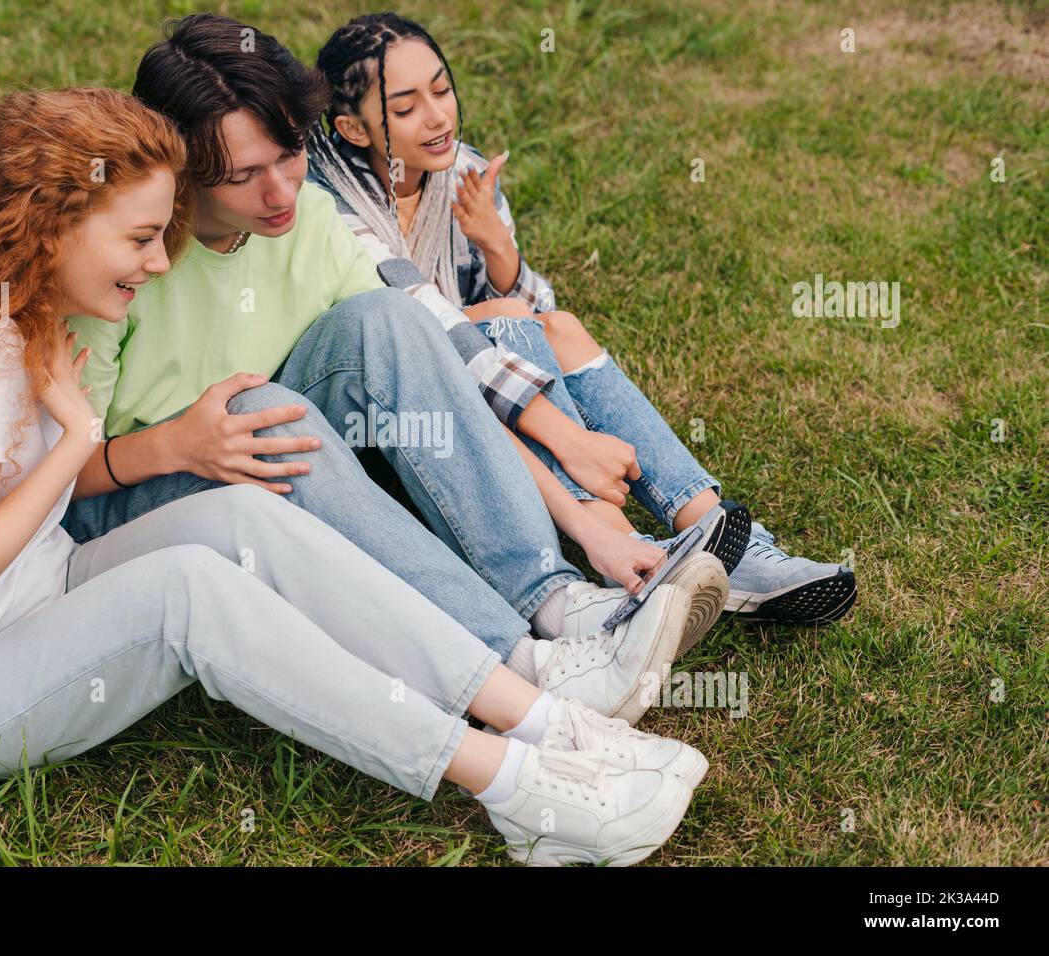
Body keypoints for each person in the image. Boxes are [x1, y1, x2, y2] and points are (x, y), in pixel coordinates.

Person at [0, 86, 714, 866]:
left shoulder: (32, 307)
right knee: (190, 594)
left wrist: (75, 450)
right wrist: (77, 433)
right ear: (53, 223)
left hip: (47, 589)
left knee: (249, 520)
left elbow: (24, 515)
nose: (161, 262)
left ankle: (543, 715)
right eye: (139, 239)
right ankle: (521, 792)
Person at [64, 14, 730, 680]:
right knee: (262, 410)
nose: (280, 191)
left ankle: (556, 599)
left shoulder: (311, 220)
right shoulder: (120, 259)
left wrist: (586, 529)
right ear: (180, 175)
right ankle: (517, 661)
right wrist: (177, 443)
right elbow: (59, 480)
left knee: (389, 318)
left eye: (290, 152)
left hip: (282, 447)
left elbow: (438, 380)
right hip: (131, 495)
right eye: (244, 176)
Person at [306, 12, 858, 626]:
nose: (438, 116)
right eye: (406, 107)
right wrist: (572, 440)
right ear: (352, 128)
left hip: (475, 379)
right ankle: (628, 552)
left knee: (558, 326)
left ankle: (720, 532)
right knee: (511, 318)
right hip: (390, 423)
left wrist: (498, 249)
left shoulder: (461, 171)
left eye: (442, 89)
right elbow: (428, 323)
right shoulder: (327, 204)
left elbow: (534, 317)